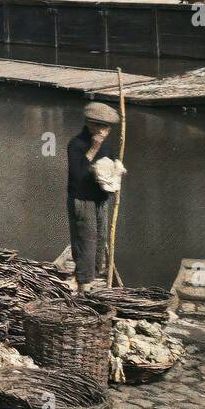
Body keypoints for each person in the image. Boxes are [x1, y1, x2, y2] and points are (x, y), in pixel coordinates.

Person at [66, 101, 121, 291]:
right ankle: (83, 284)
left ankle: (94, 277)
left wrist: (117, 173)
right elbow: (78, 175)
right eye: (103, 126)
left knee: (100, 242)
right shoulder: (76, 144)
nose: (106, 131)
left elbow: (114, 164)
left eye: (108, 127)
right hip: (83, 200)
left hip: (101, 200)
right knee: (86, 242)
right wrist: (93, 149)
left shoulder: (107, 146)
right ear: (91, 124)